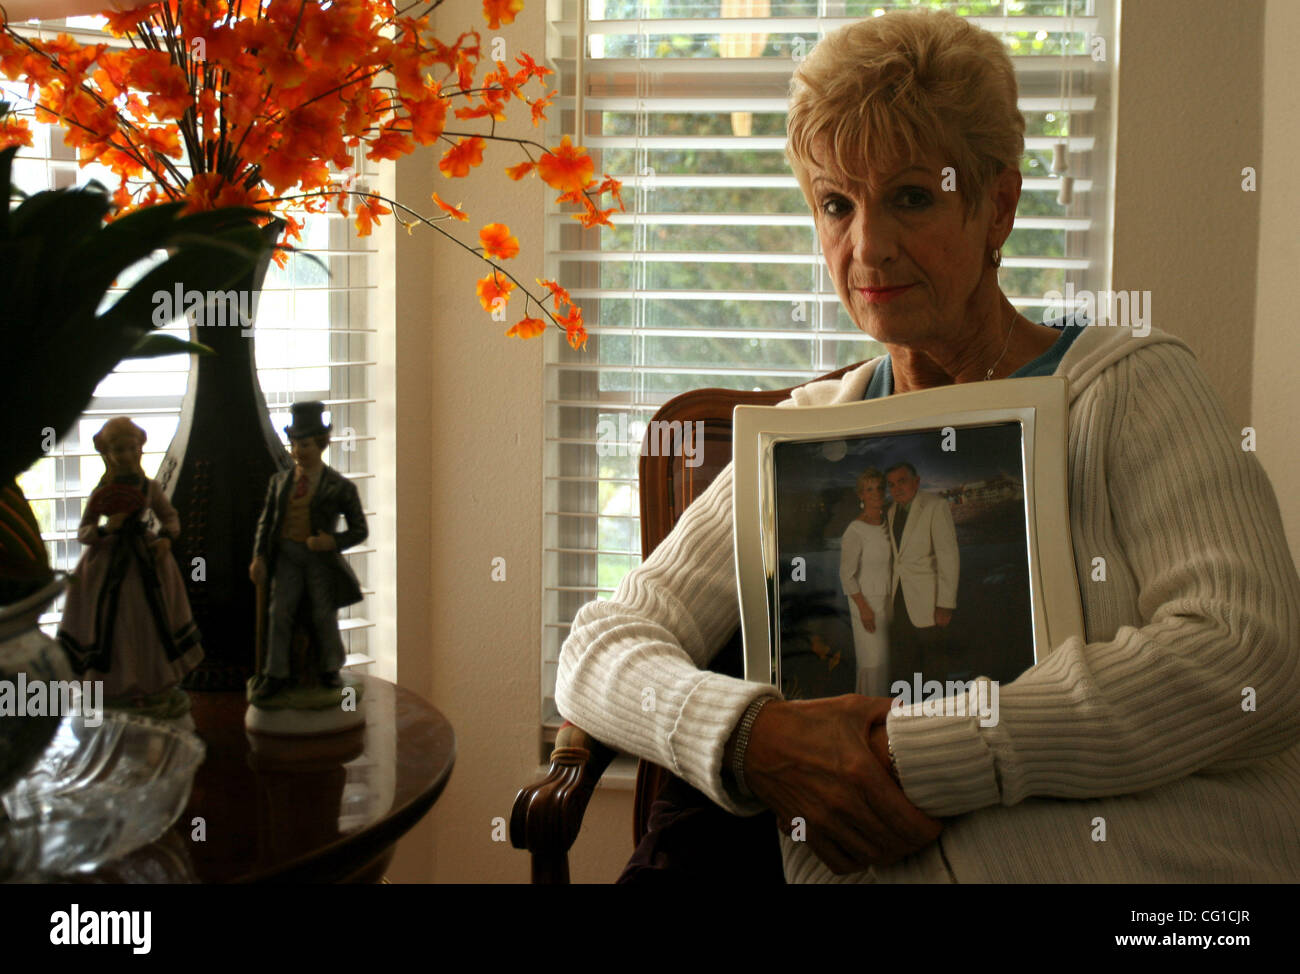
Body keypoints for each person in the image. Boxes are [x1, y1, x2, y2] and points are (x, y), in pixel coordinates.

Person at [555, 8, 1300, 882]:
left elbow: (1247, 651)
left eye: (912, 196)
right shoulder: (807, 437)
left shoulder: (1129, 387)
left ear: (998, 205)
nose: (867, 247)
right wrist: (758, 740)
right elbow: (601, 645)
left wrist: (919, 754)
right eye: (837, 204)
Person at [58, 417, 203, 708]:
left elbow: (171, 517)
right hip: (105, 564)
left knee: (149, 620)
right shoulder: (101, 491)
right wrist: (105, 529)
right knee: (111, 622)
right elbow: (84, 532)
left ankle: (151, 682)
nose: (125, 455)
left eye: (130, 448)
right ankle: (113, 685)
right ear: (107, 454)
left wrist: (165, 539)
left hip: (146, 559)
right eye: (118, 450)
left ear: (140, 449)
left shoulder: (149, 488)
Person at [249, 402, 367, 701]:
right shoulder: (279, 483)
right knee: (279, 611)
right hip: (286, 556)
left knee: (323, 613)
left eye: (304, 444)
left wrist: (332, 542)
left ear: (321, 444)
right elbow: (266, 522)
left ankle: (330, 669)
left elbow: (359, 530)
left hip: (318, 560)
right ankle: (275, 674)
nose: (297, 451)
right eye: (294, 444)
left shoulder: (340, 488)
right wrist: (259, 557)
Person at [883, 461, 958, 684]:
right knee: (907, 663)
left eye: (902, 481)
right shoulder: (891, 511)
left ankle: (940, 715)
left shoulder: (935, 506)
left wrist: (946, 603)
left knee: (934, 666)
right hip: (899, 600)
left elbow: (949, 557)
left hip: (930, 601)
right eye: (891, 484)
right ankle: (914, 714)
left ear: (916, 482)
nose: (896, 488)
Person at [839, 467, 893, 696]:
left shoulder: (889, 522)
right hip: (867, 605)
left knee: (887, 663)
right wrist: (864, 609)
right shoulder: (855, 530)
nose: (876, 493)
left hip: (889, 602)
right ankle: (867, 715)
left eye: (880, 487)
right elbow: (846, 575)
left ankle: (886, 719)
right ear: (861, 495)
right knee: (873, 662)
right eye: (869, 489)